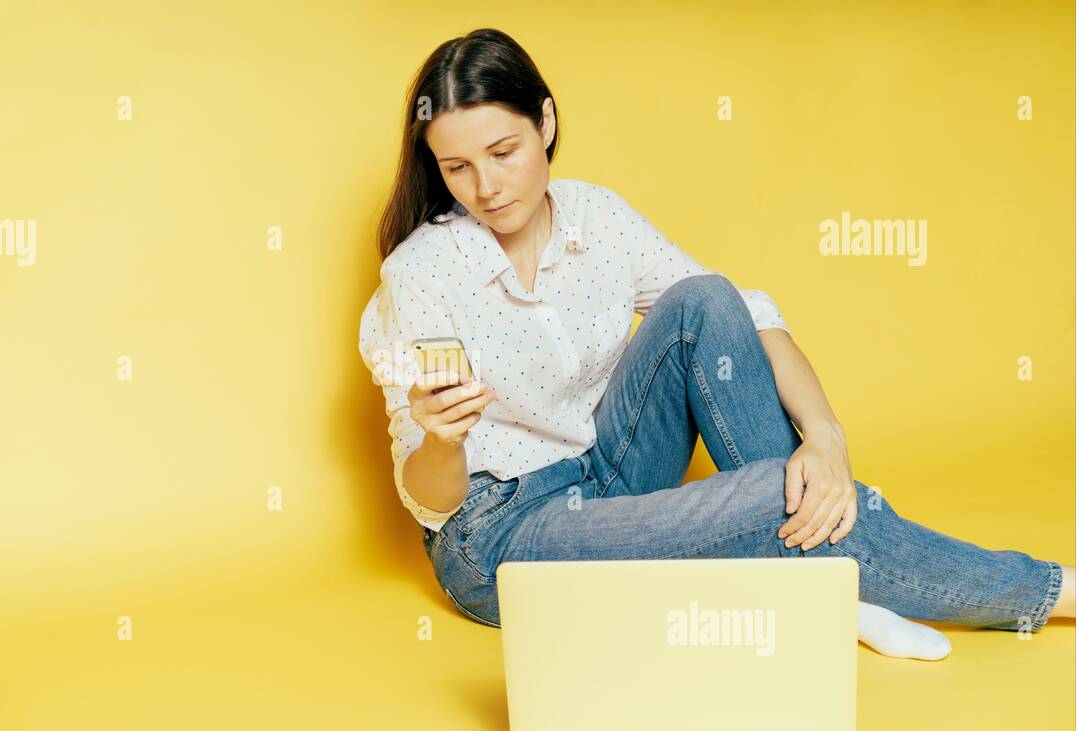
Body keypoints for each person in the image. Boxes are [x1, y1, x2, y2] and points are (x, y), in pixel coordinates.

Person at [357, 28, 1071, 659]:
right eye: (456, 168)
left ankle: (820, 568)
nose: (485, 186)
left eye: (503, 151)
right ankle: (1046, 588)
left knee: (707, 301)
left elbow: (748, 313)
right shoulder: (421, 273)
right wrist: (442, 441)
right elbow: (431, 502)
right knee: (772, 494)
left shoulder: (595, 217)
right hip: (502, 533)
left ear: (545, 122)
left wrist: (825, 437)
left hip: (604, 474)